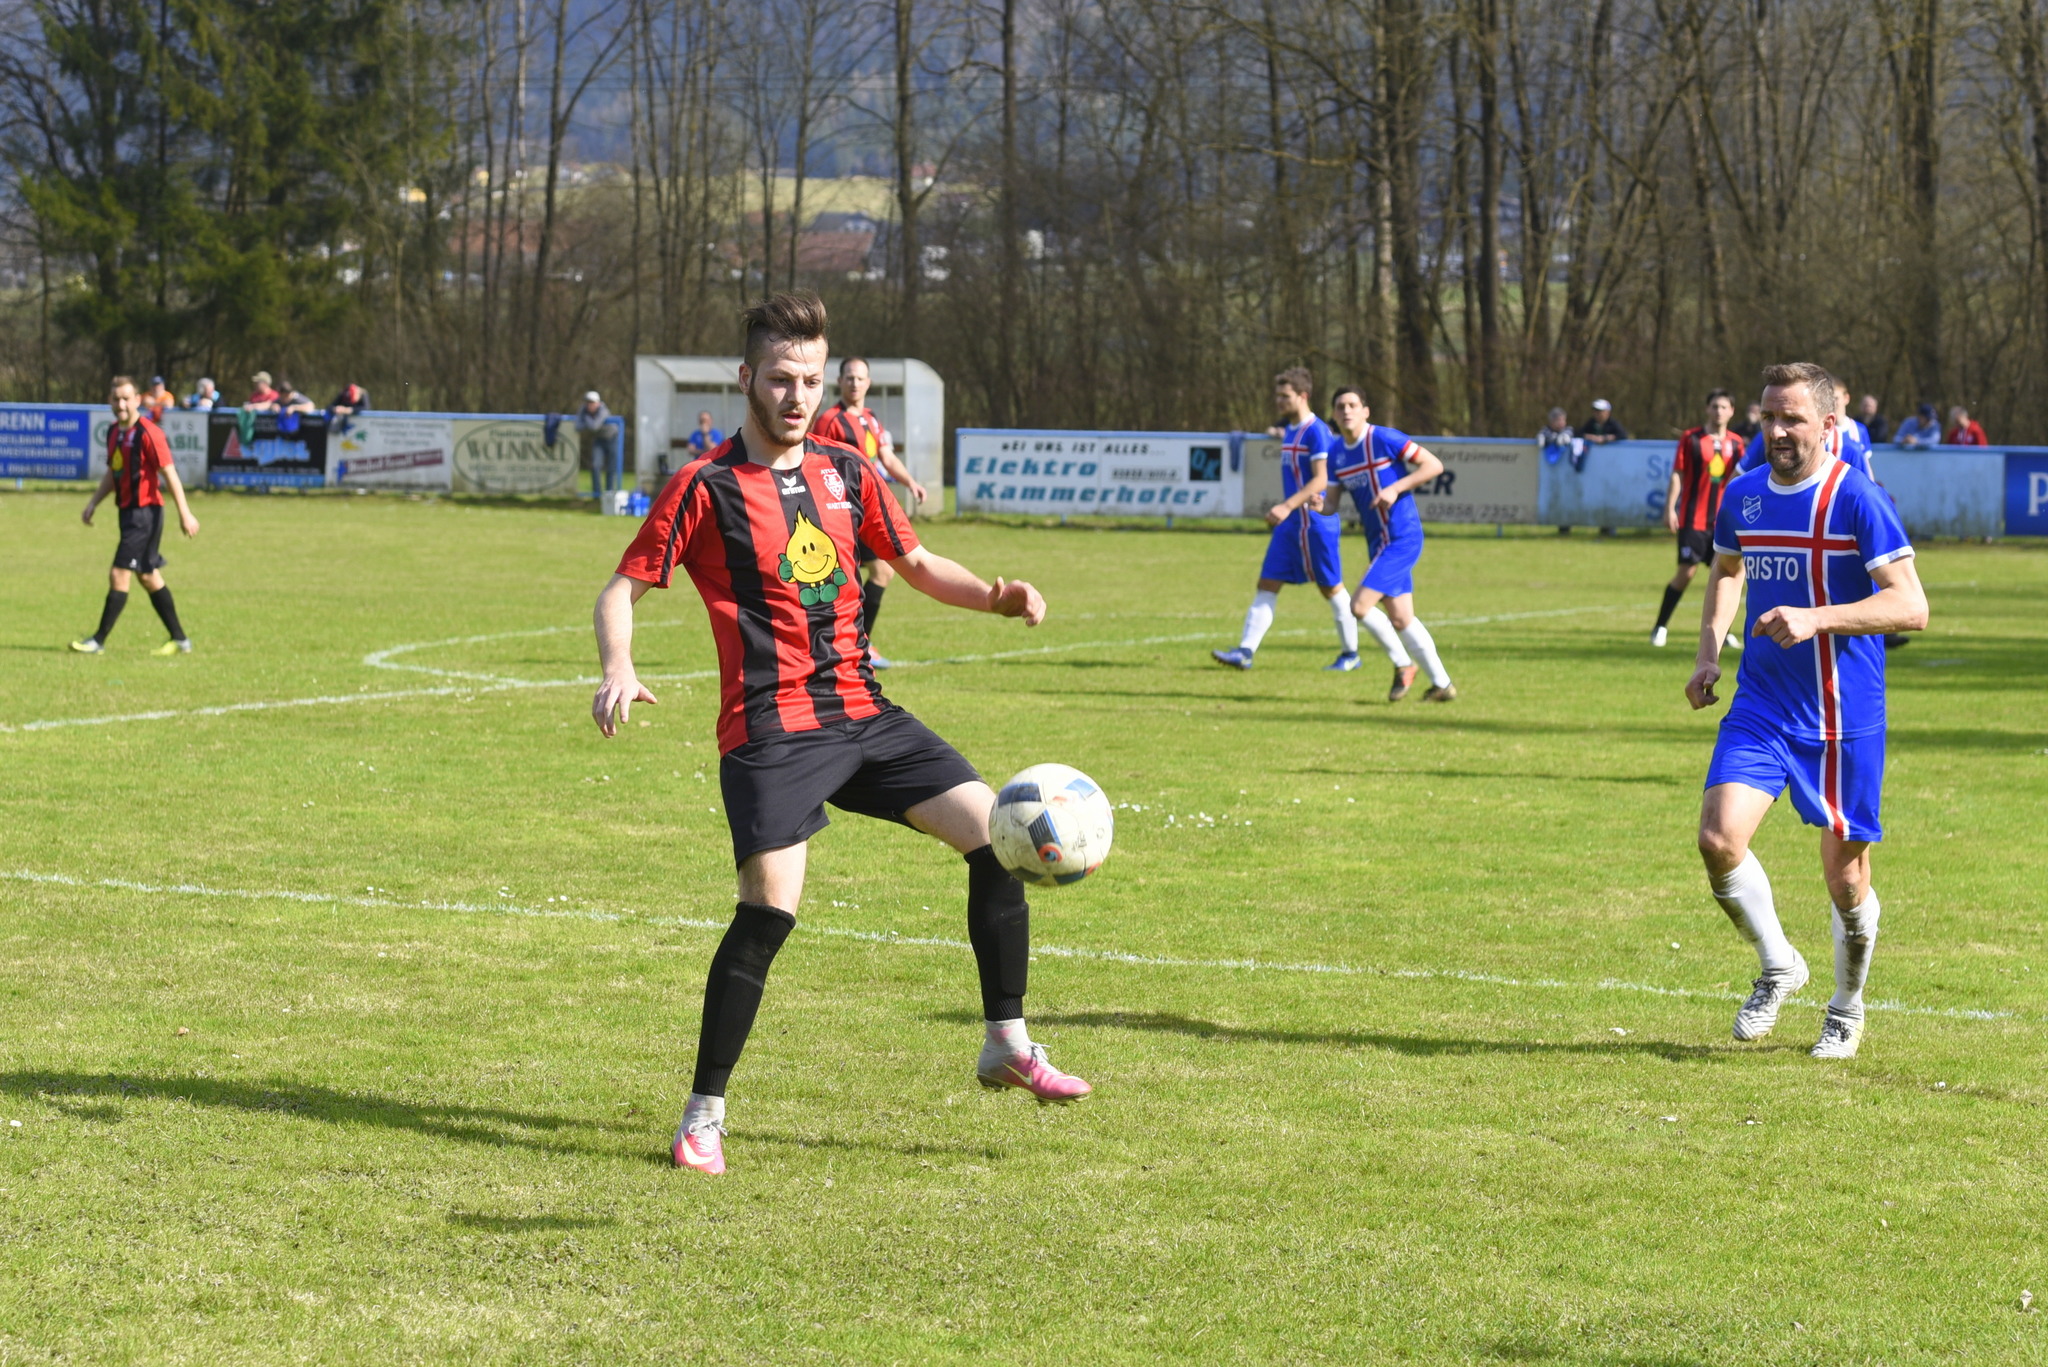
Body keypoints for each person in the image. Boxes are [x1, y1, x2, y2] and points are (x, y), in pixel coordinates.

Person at [590, 292, 1087, 1177]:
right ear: (746, 378)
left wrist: (997, 595)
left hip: (864, 711)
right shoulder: (703, 486)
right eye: (780, 378)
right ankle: (703, 1114)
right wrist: (618, 666)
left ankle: (1006, 1042)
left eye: (811, 380)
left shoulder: (847, 472)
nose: (797, 395)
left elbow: (920, 564)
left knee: (998, 837)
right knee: (768, 912)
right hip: (772, 731)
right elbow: (623, 586)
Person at [1686, 362, 1927, 1061]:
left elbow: (1911, 606)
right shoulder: (1744, 495)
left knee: (1846, 878)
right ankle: (1779, 963)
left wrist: (1818, 617)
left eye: (1792, 418)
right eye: (1769, 417)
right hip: (1763, 703)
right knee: (1717, 838)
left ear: (1829, 424)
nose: (1778, 430)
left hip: (1844, 713)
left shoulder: (1858, 499)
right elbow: (1728, 570)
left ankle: (1847, 1007)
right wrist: (1707, 654)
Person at [1319, 387, 1456, 701]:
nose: (1347, 411)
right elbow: (1331, 505)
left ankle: (1404, 664)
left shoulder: (1383, 438)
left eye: (1353, 405)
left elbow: (1433, 466)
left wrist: (1395, 488)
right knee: (1401, 618)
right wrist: (1317, 504)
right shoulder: (1337, 454)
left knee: (1359, 606)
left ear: (1366, 411)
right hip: (1377, 542)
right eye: (1340, 406)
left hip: (1401, 537)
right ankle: (1442, 685)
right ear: (1335, 414)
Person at [1212, 368, 1353, 670]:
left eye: (1284, 396)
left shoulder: (1317, 431)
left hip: (1314, 522)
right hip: (1291, 526)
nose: (1278, 401)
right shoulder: (1291, 429)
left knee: (1331, 588)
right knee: (1267, 583)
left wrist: (1286, 506)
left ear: (1303, 396)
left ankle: (1350, 654)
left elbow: (1320, 481)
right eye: (1277, 395)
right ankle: (1245, 652)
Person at [812, 356, 929, 669]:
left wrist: (910, 482)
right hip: (841, 511)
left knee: (874, 573)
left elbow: (887, 458)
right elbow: (814, 462)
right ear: (840, 382)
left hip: (868, 508)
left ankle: (854, 642)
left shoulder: (872, 419)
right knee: (865, 573)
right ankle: (854, 643)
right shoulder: (829, 420)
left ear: (868, 383)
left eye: (859, 378)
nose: (854, 383)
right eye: (848, 377)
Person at [70, 376, 200, 655]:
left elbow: (170, 473)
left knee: (119, 572)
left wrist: (185, 514)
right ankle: (180, 639)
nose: (121, 404)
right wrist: (93, 503)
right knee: (148, 576)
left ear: (138, 400)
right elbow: (113, 472)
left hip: (146, 514)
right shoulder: (114, 432)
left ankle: (98, 640)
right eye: (116, 399)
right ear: (110, 401)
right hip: (127, 513)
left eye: (127, 398)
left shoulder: (149, 433)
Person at [1652, 390, 1745, 649]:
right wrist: (1670, 508)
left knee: (1725, 577)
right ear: (1707, 409)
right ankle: (1660, 626)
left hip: (1723, 522)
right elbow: (1677, 474)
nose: (1718, 411)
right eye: (1714, 406)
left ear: (1731, 411)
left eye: (1723, 407)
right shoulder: (1691, 438)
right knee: (1686, 573)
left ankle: (1722, 633)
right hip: (1693, 520)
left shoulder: (1737, 444)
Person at [575, 391, 622, 497]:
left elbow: (594, 427)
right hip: (599, 440)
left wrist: (586, 419)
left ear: (598, 403)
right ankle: (597, 495)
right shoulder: (583, 409)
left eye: (592, 402)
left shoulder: (603, 410)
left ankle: (608, 494)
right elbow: (577, 426)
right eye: (587, 402)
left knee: (611, 467)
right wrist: (588, 421)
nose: (589, 405)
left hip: (612, 438)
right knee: (595, 466)